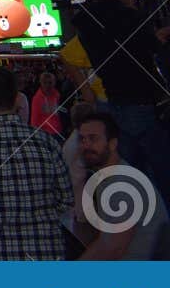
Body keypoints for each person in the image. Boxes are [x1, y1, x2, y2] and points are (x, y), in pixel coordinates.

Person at [72, 0, 170, 200]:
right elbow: (151, 50)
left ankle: (138, 220)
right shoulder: (129, 17)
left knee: (130, 179)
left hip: (113, 103)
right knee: (161, 176)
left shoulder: (85, 20)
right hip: (144, 104)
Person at [0, 66, 72, 260]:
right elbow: (66, 197)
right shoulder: (45, 140)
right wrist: (41, 214)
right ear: (17, 98)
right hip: (47, 247)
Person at [71, 109, 168, 260]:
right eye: (82, 139)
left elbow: (113, 249)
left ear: (112, 144)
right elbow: (85, 220)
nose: (86, 145)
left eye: (93, 138)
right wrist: (78, 178)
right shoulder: (108, 178)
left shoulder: (123, 184)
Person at [29, 71, 63, 136]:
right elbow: (34, 119)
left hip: (58, 131)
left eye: (50, 82)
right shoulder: (37, 98)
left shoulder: (58, 95)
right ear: (41, 83)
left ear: (54, 83)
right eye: (45, 82)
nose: (47, 85)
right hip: (43, 133)